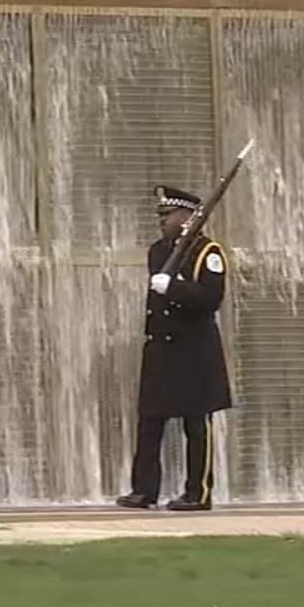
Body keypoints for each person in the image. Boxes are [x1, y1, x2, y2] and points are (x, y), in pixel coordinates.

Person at [115, 184, 234, 511]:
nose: (162, 220)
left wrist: (175, 288)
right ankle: (144, 490)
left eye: (168, 214)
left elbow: (211, 299)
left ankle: (199, 493)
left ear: (187, 216)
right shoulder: (158, 251)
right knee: (150, 420)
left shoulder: (208, 253)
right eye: (161, 215)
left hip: (194, 350)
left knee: (197, 423)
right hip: (161, 348)